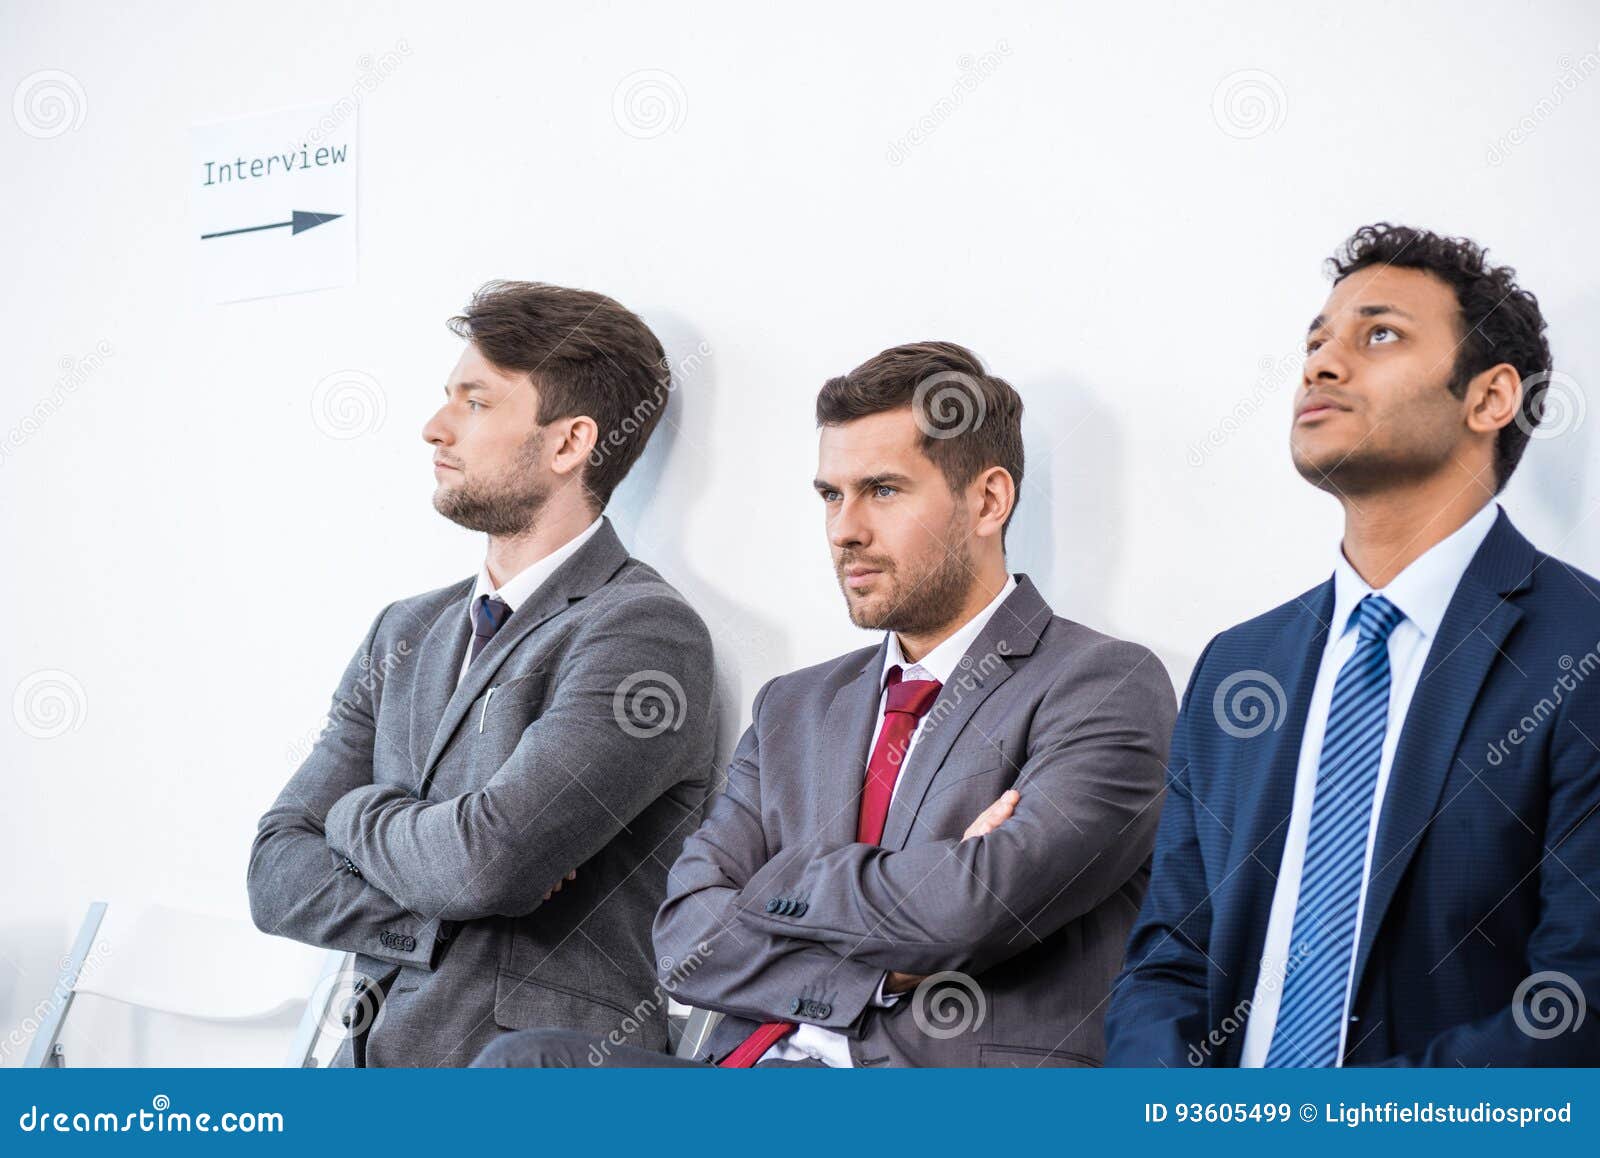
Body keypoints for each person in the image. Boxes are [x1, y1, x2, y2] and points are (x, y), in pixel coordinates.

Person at [476, 340, 1175, 1068]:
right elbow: (684, 941)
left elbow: (973, 909)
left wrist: (779, 879)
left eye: (884, 490)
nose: (846, 529)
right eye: (831, 495)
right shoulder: (795, 707)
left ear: (988, 500)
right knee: (524, 1067)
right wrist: (885, 967)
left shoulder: (1104, 685)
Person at [1107, 224, 1600, 1067]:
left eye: (1379, 335)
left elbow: (1578, 999)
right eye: (1316, 341)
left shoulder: (1579, 649)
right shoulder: (1240, 665)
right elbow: (1167, 962)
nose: (1321, 365)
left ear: (1489, 399)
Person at [248, 281, 716, 1067]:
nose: (435, 429)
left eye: (475, 403)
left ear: (568, 445)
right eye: (448, 400)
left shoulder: (643, 633)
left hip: (530, 1077)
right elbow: (274, 875)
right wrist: (443, 892)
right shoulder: (405, 631)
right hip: (367, 1066)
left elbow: (487, 865)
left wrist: (354, 813)